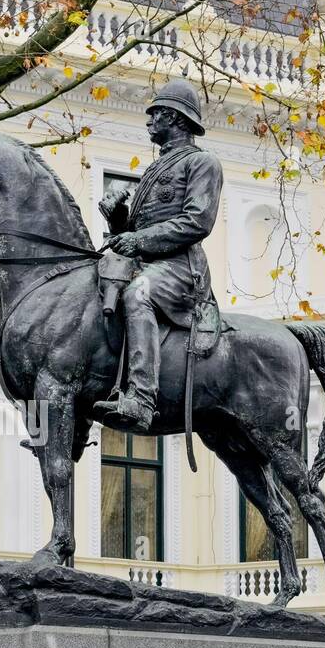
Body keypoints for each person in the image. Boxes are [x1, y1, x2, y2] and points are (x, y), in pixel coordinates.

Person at [94, 78, 224, 431]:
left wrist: (137, 241)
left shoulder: (202, 163)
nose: (149, 121)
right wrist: (117, 218)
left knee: (138, 295)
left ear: (176, 118)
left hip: (182, 269)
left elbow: (197, 221)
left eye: (156, 114)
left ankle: (141, 398)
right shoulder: (155, 169)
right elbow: (132, 234)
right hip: (148, 263)